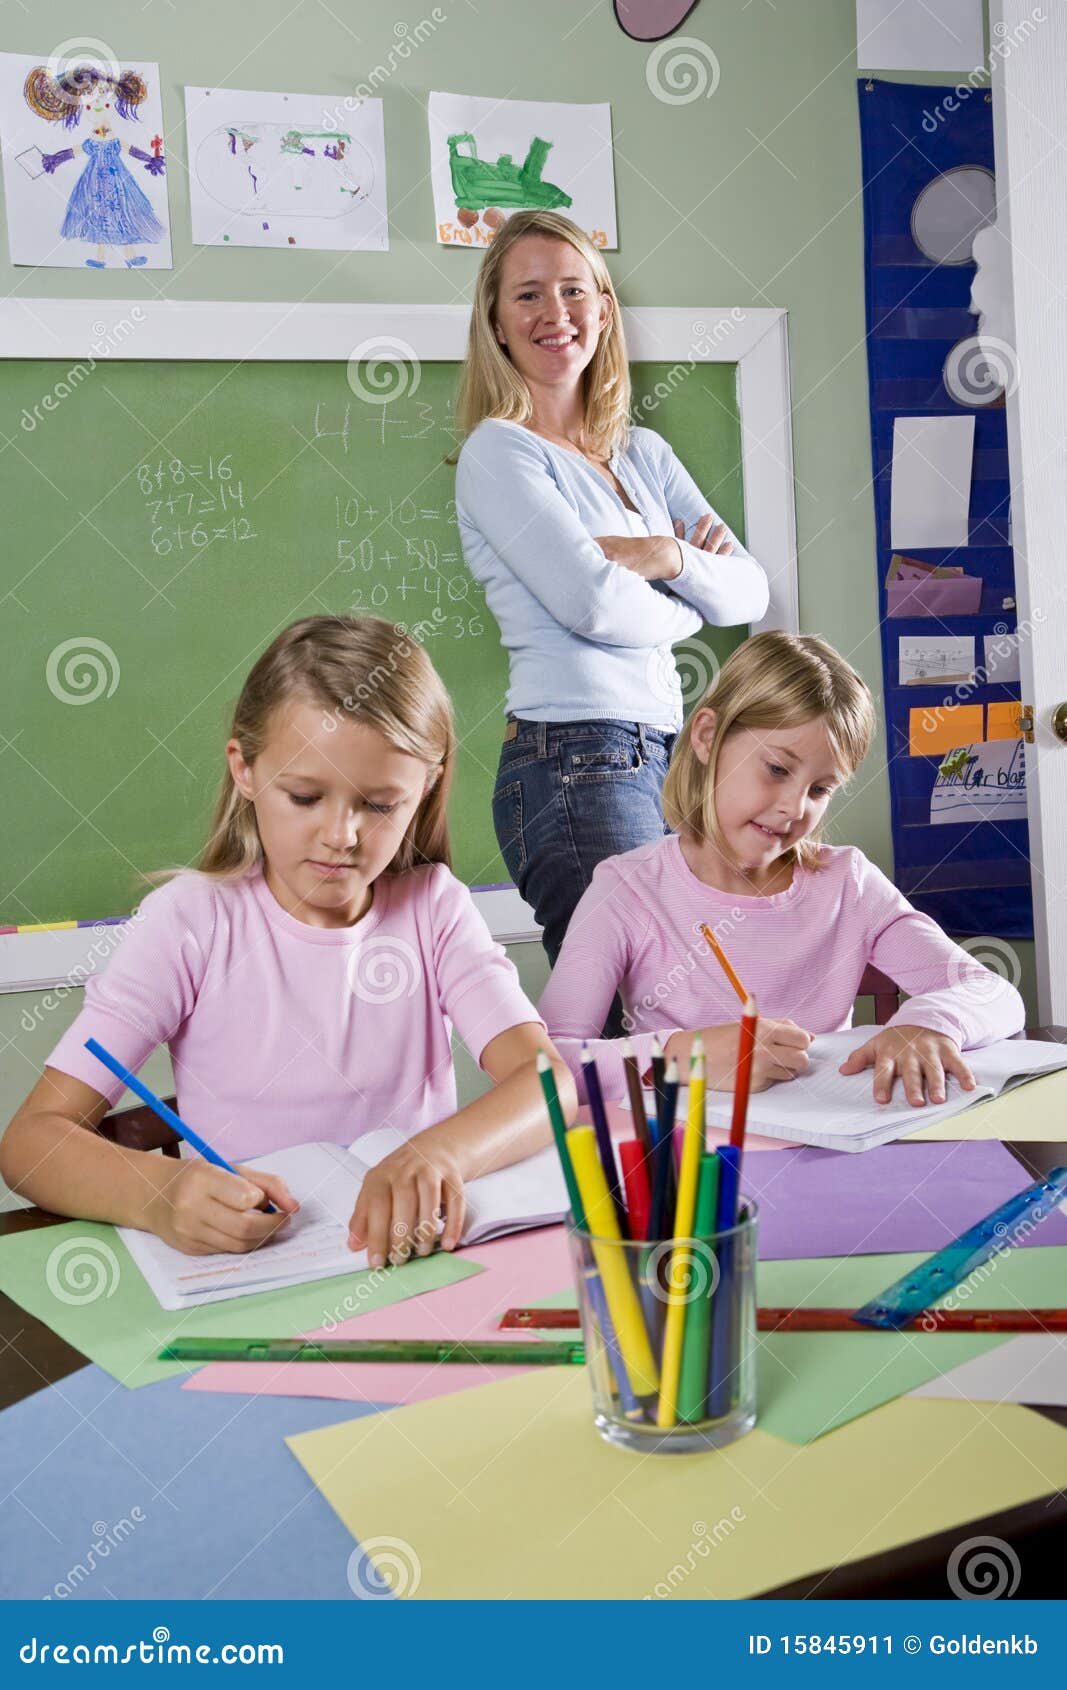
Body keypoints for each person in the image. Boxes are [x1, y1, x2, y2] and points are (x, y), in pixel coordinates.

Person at [0, 616, 577, 1268]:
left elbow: (547, 1087)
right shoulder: (188, 922)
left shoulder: (434, 910)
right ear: (244, 770)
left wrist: (433, 1153)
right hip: (248, 1276)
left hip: (403, 1270)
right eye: (304, 796)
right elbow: (30, 1143)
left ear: (426, 787)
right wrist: (159, 1194)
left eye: (380, 805)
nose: (341, 835)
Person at [454, 209, 769, 988]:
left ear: (602, 309)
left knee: (686, 1007)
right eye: (527, 296)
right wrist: (688, 593)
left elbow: (749, 591)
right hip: (573, 763)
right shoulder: (499, 451)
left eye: (572, 291)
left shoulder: (643, 455)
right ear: (495, 321)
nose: (553, 315)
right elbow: (592, 608)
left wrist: (664, 555)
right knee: (635, 1018)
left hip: (665, 759)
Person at [540, 631, 1024, 1107]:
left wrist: (931, 1021)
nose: (793, 808)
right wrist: (683, 1057)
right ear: (708, 737)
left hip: (829, 1149)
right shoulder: (628, 888)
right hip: (692, 1167)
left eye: (819, 789)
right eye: (776, 769)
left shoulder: (847, 884)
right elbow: (545, 1069)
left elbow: (991, 992)